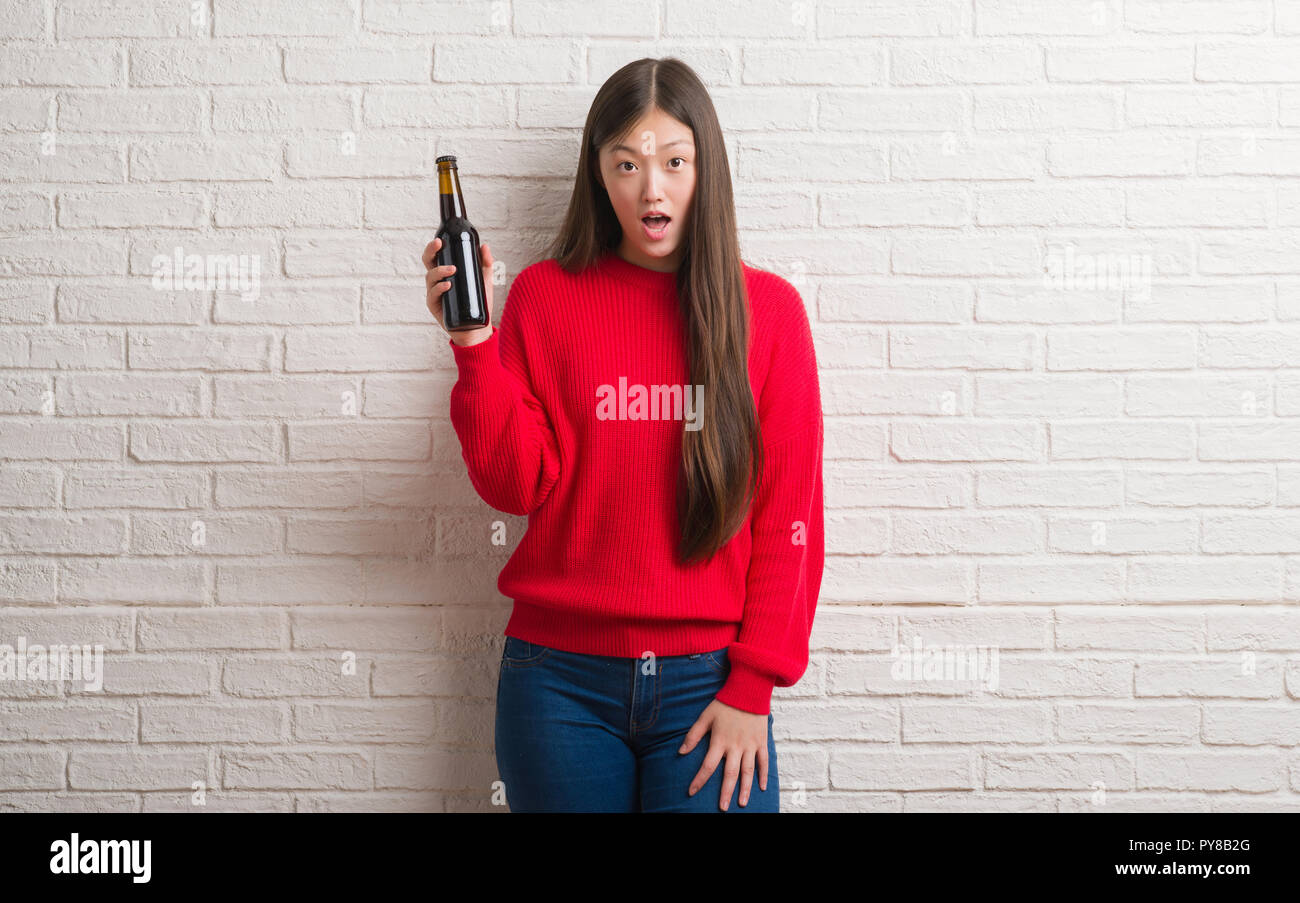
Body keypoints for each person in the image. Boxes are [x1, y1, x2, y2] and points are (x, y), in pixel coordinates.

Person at [421, 57, 824, 812]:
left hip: (712, 684)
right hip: (557, 684)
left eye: (675, 162)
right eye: (627, 164)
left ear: (706, 168)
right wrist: (474, 346)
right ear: (599, 173)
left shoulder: (768, 313)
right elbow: (515, 485)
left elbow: (789, 517)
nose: (652, 188)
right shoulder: (544, 297)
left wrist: (754, 685)